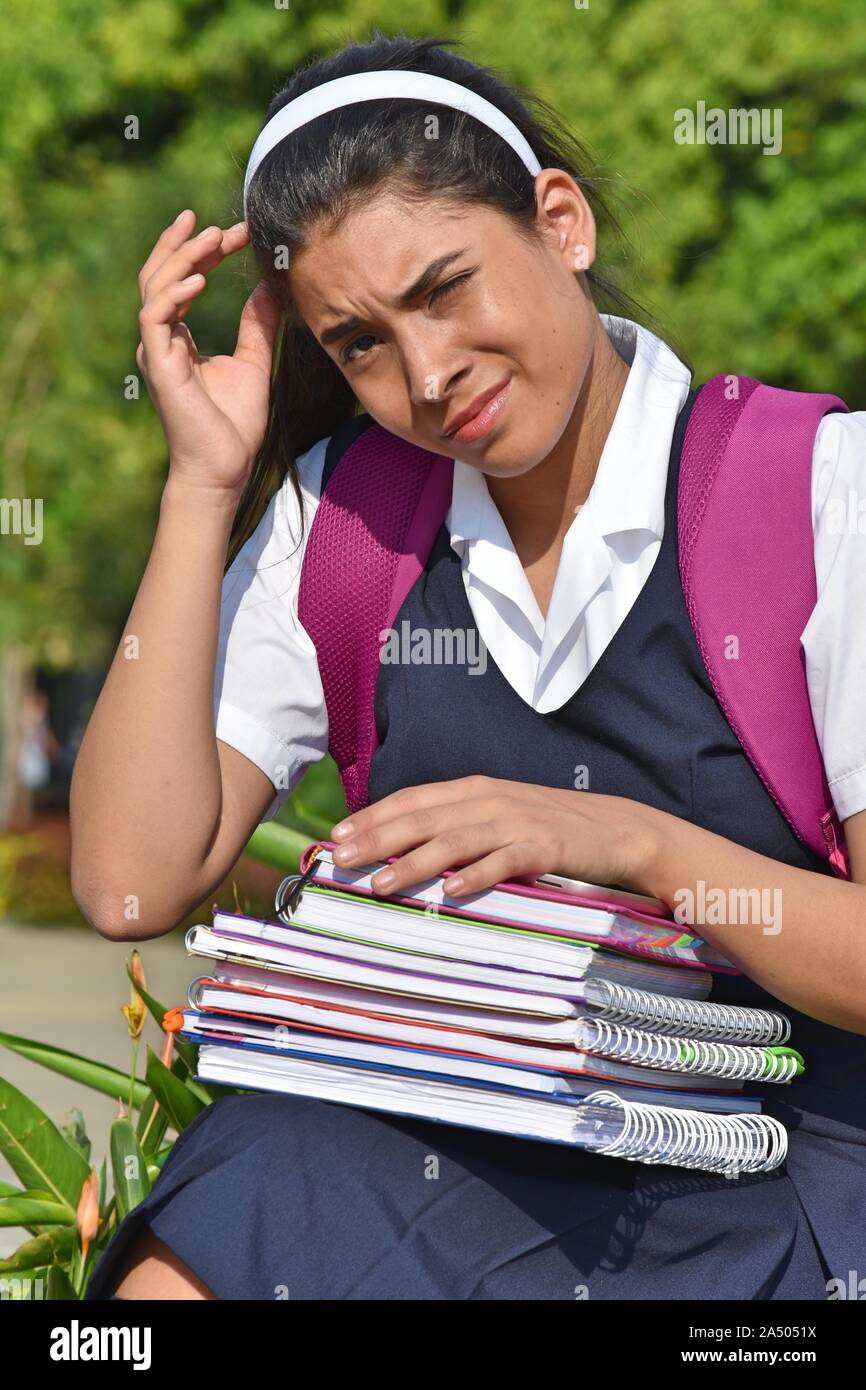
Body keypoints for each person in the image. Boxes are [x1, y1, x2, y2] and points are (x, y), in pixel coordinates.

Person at [72, 32, 866, 1301]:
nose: (427, 378)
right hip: (457, 1162)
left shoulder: (815, 492)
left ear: (560, 223)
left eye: (445, 287)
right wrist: (200, 485)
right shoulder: (347, 524)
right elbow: (126, 884)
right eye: (358, 346)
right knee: (216, 1221)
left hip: (779, 1191)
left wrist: (630, 842)